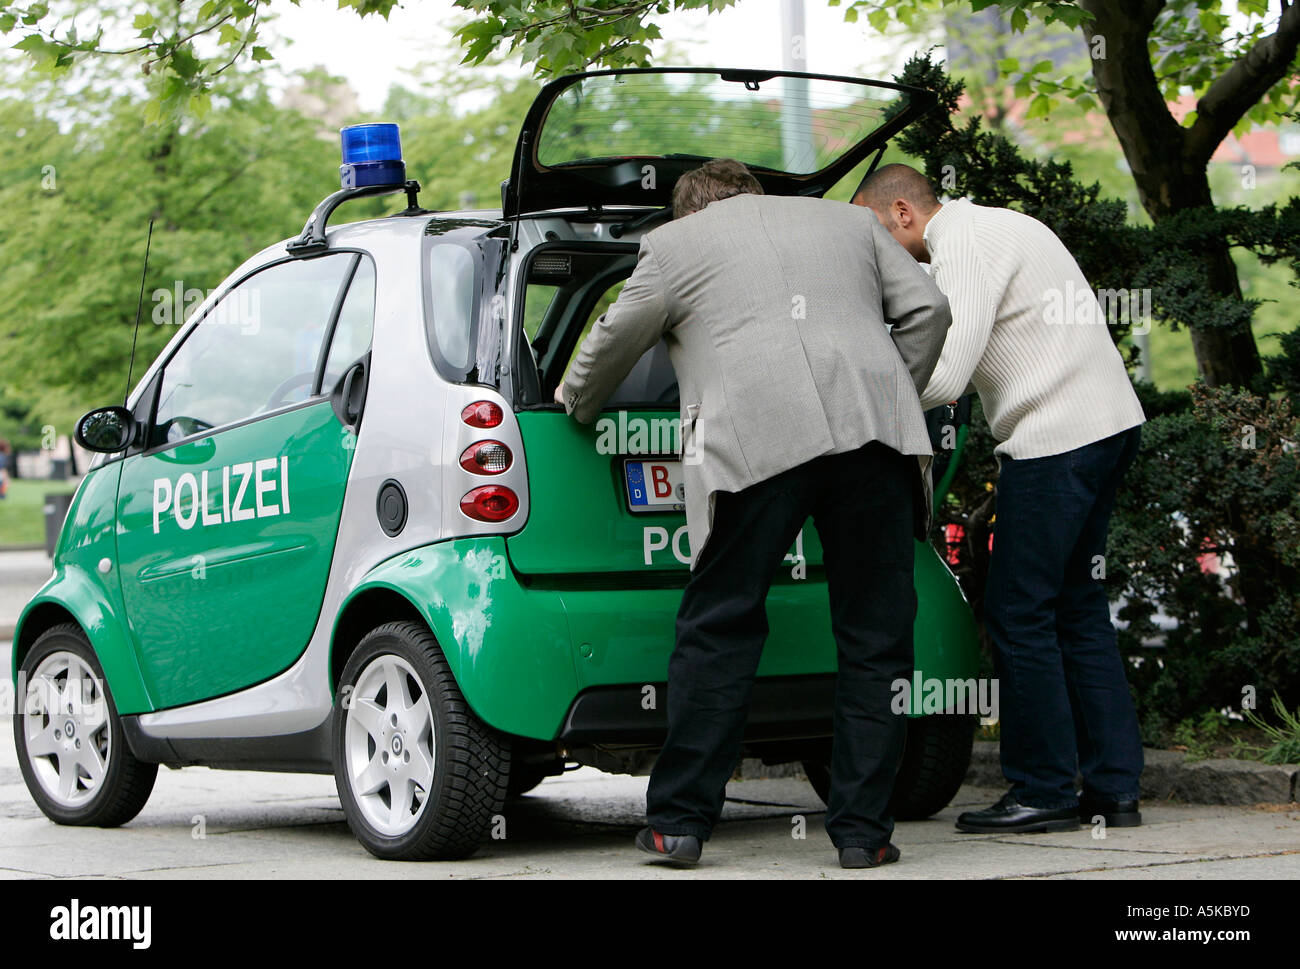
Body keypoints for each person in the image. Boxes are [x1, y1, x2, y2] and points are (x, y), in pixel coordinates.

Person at [556, 158, 952, 868]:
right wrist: (889, 392)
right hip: (876, 443)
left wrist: (575, 403)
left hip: (756, 444)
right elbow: (930, 310)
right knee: (877, 638)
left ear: (687, 212)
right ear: (757, 195)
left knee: (721, 625)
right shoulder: (851, 223)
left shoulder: (676, 246)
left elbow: (615, 338)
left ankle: (679, 822)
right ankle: (864, 833)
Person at [854, 164, 1147, 833]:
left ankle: (1042, 789)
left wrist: (861, 399)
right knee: (1074, 608)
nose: (874, 254)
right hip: (1105, 426)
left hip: (1056, 440)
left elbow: (949, 371)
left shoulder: (963, 240)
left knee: (1019, 613)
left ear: (902, 211)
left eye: (874, 232)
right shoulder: (991, 226)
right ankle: (1112, 789)